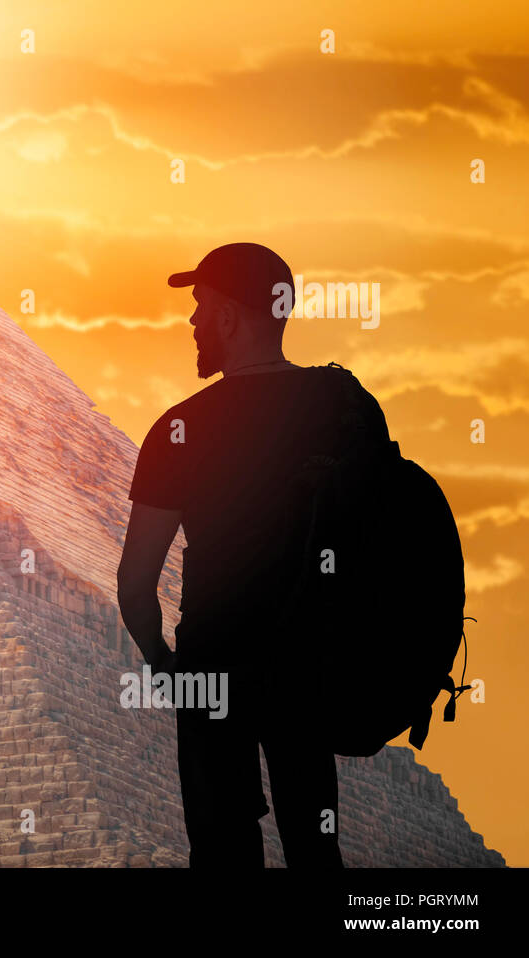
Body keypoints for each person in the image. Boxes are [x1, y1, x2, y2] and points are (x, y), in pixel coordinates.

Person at [116, 242, 390, 868]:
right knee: (316, 848)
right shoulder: (346, 405)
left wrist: (163, 662)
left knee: (222, 851)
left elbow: (136, 585)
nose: (191, 323)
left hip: (215, 668)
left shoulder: (177, 431)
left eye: (199, 307)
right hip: (310, 667)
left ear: (231, 317)